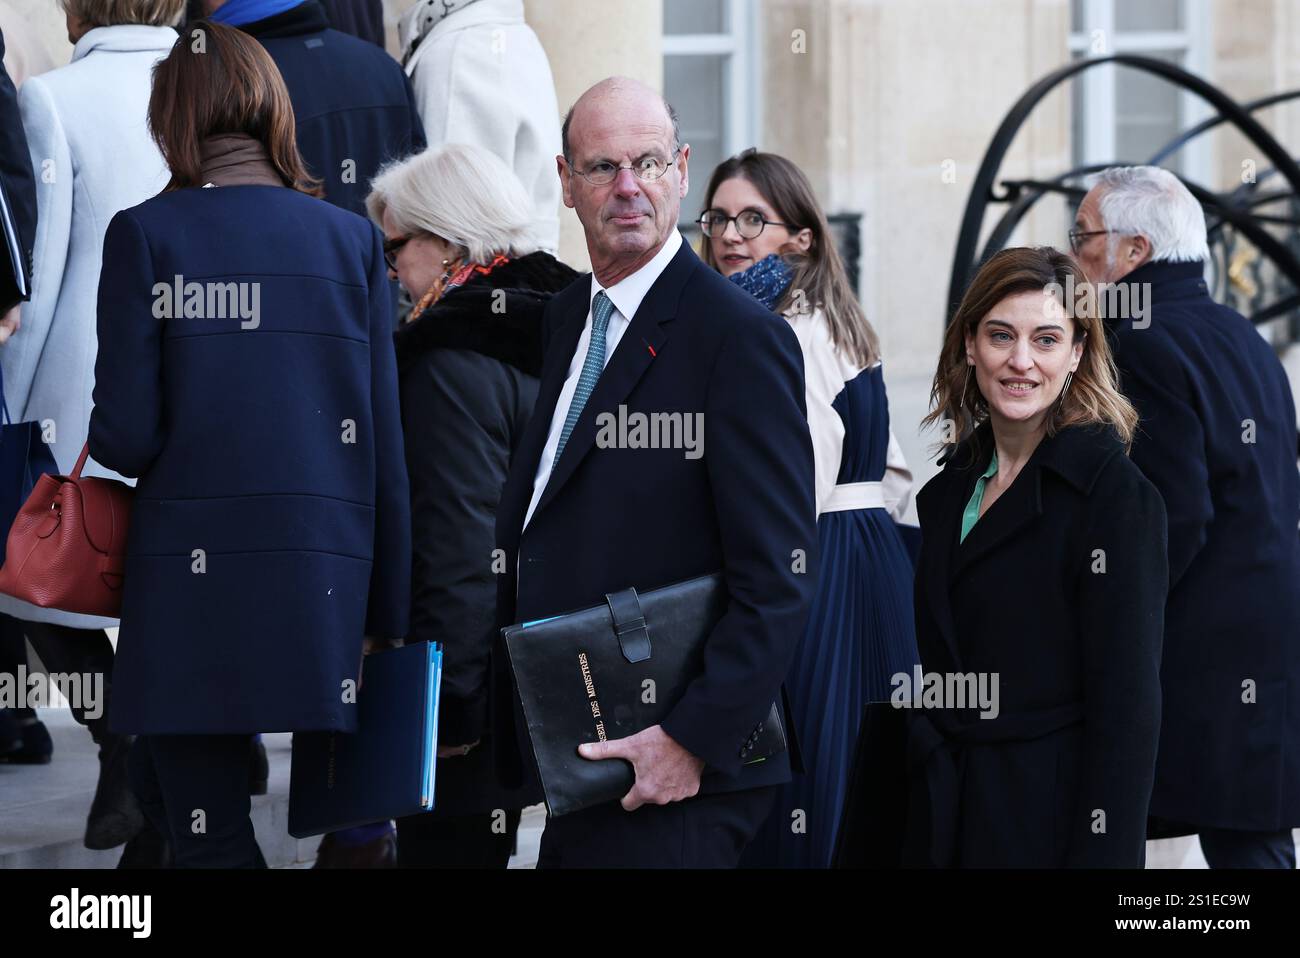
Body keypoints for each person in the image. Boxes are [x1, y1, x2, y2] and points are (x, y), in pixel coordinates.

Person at [88, 20, 410, 868]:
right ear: (272, 109)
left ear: (174, 118)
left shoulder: (146, 237)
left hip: (191, 595)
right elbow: (383, 445)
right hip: (328, 582)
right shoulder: (350, 241)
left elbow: (124, 436)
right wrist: (390, 615)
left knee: (207, 830)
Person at [492, 76, 818, 868]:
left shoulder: (737, 338)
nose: (628, 187)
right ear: (566, 184)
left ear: (680, 168)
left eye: (646, 162)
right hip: (586, 756)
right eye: (602, 167)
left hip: (679, 776)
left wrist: (689, 741)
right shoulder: (572, 315)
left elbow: (779, 579)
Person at [840, 246, 1167, 867]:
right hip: (940, 809)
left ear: (1076, 354)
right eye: (1000, 335)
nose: (1021, 361)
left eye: (1046, 339)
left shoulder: (1116, 499)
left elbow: (1128, 715)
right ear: (969, 345)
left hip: (1044, 821)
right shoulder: (949, 489)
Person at [696, 148, 918, 868]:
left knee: (807, 782)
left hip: (810, 563)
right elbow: (895, 475)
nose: (730, 235)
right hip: (868, 560)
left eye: (753, 220)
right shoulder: (837, 318)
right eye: (720, 217)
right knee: (860, 776)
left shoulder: (779, 327)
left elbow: (796, 480)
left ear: (801, 237)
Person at [1074, 165, 1300, 869]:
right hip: (1261, 632)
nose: (1073, 256)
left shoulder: (1139, 341)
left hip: (1200, 645)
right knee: (1250, 833)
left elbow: (1172, 517)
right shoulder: (1240, 332)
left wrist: (1102, 611)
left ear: (1133, 251)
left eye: (1082, 238)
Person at [0, 0, 185, 853]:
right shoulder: (206, 80)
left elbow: (39, 269)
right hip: (197, 362)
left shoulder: (55, 98)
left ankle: (123, 740)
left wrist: (15, 402)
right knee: (167, 570)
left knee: (38, 572)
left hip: (83, 372)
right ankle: (165, 744)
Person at [366, 142, 577, 867]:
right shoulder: (572, 321)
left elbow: (458, 544)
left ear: (449, 243)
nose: (390, 269)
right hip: (562, 671)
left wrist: (447, 706)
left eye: (396, 246)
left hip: (477, 693)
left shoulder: (450, 362)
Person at [199, 0, 425, 219]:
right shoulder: (385, 67)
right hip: (379, 252)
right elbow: (417, 190)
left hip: (290, 251)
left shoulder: (226, 82)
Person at [398, 0, 562, 253]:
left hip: (480, 272)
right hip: (517, 267)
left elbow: (450, 217)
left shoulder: (462, 47)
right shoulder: (511, 33)